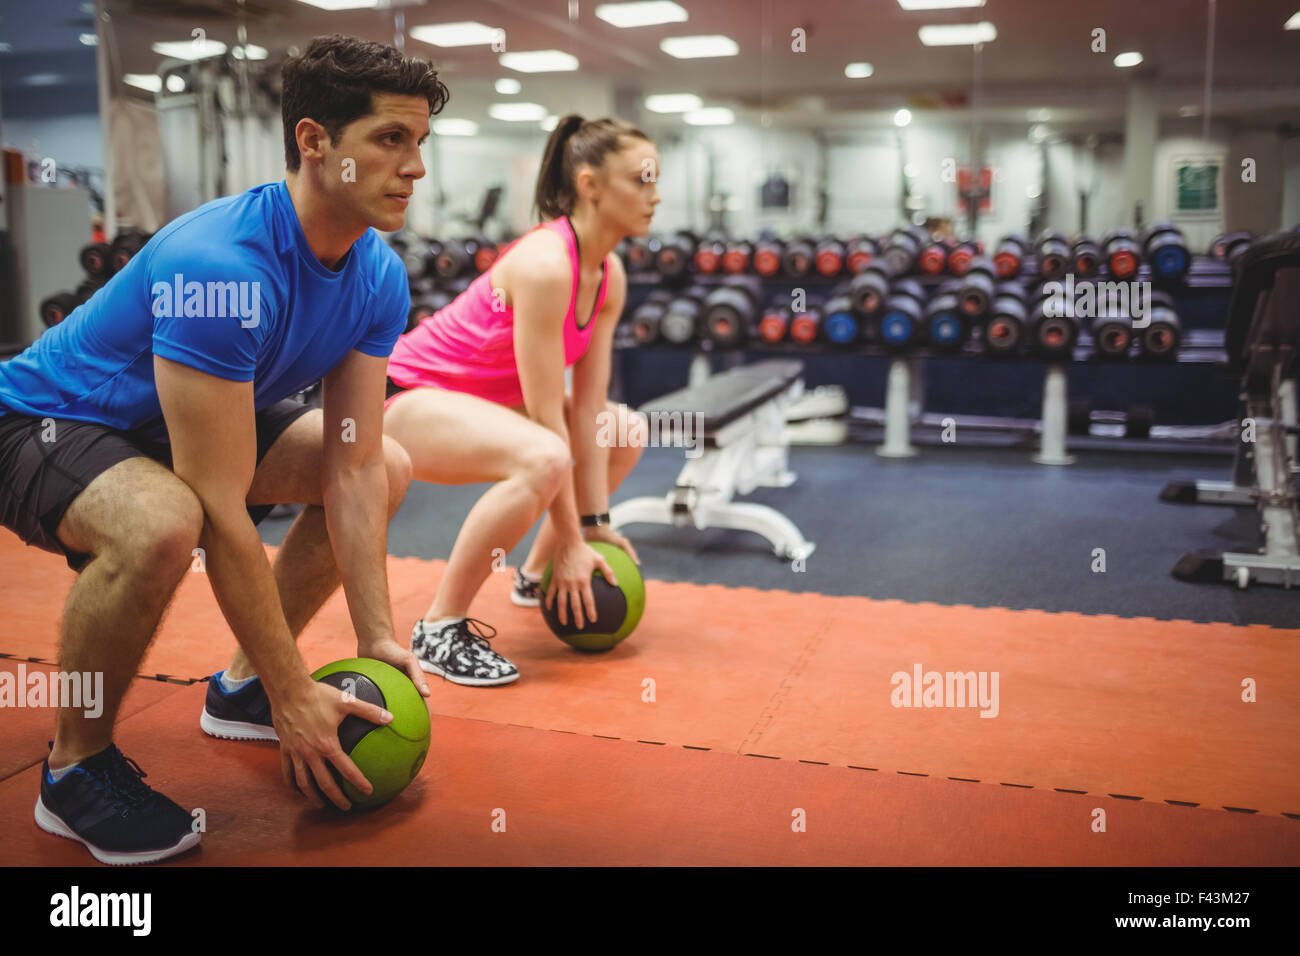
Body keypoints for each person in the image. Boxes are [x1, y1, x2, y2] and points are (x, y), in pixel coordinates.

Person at [0, 34, 446, 864]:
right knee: (165, 522)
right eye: (391, 139)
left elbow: (349, 458)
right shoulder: (223, 266)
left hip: (171, 424)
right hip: (41, 419)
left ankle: (239, 685)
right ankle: (75, 767)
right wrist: (297, 693)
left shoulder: (377, 274)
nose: (416, 166)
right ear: (314, 142)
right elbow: (217, 503)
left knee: (385, 465)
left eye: (420, 143)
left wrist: (378, 636)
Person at [383, 115, 655, 686]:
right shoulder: (545, 265)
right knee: (545, 455)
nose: (655, 195)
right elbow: (545, 415)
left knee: (622, 430)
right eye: (642, 179)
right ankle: (439, 626)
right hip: (407, 398)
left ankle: (535, 575)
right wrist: (576, 539)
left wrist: (596, 526)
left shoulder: (609, 274)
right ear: (590, 186)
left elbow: (585, 407)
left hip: (482, 405)